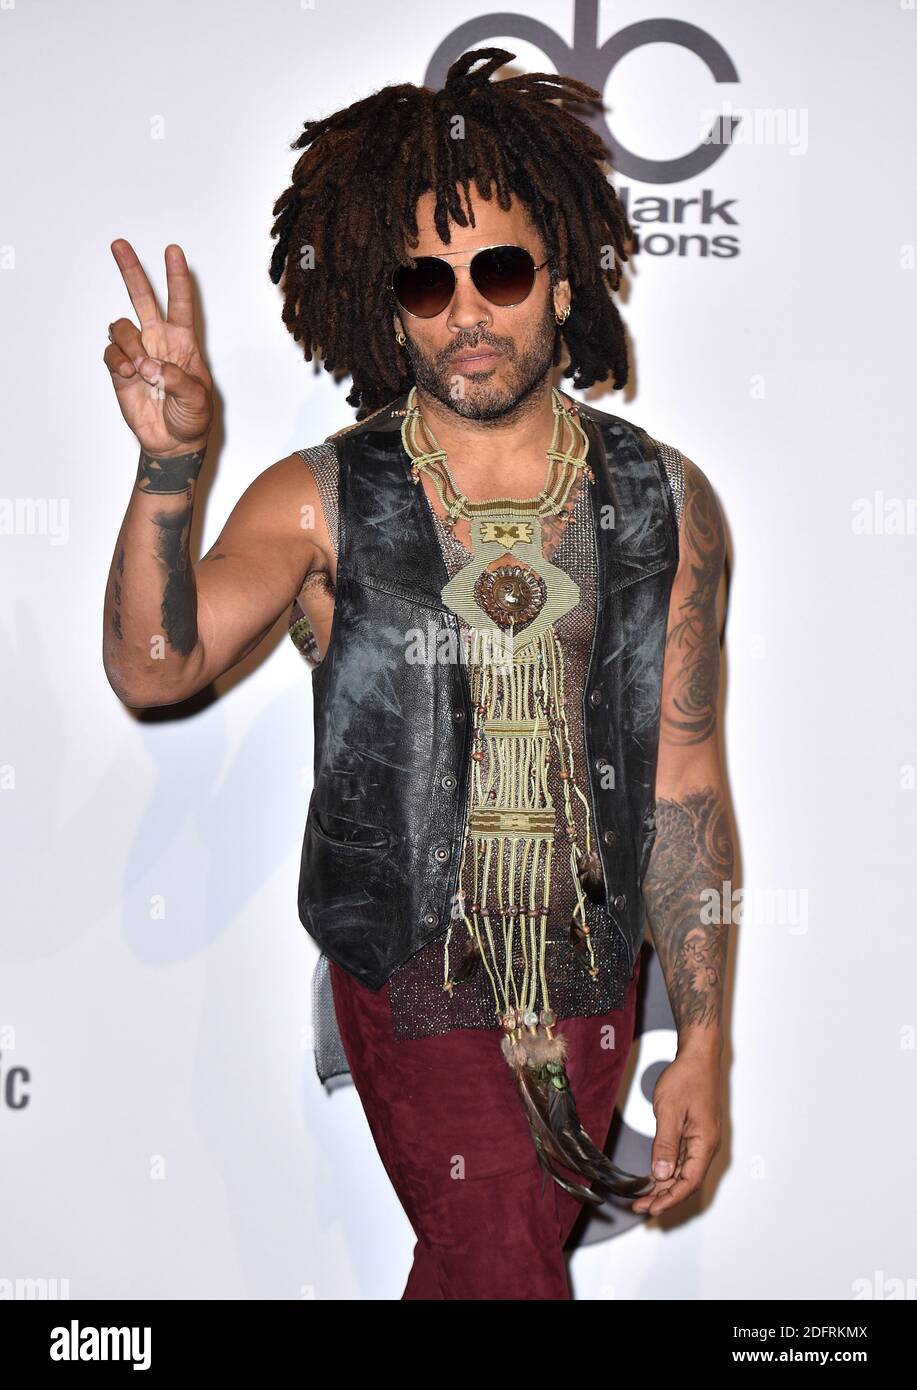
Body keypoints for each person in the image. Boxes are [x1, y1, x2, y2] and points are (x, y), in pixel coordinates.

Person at [102, 47, 734, 1300]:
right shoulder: (322, 501)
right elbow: (154, 669)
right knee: (498, 1264)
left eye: (498, 270)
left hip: (591, 977)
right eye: (426, 281)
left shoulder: (664, 504)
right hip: (412, 976)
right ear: (391, 310)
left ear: (559, 283)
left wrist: (701, 1037)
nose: (467, 310)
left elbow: (684, 779)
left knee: (480, 1270)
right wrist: (171, 472)